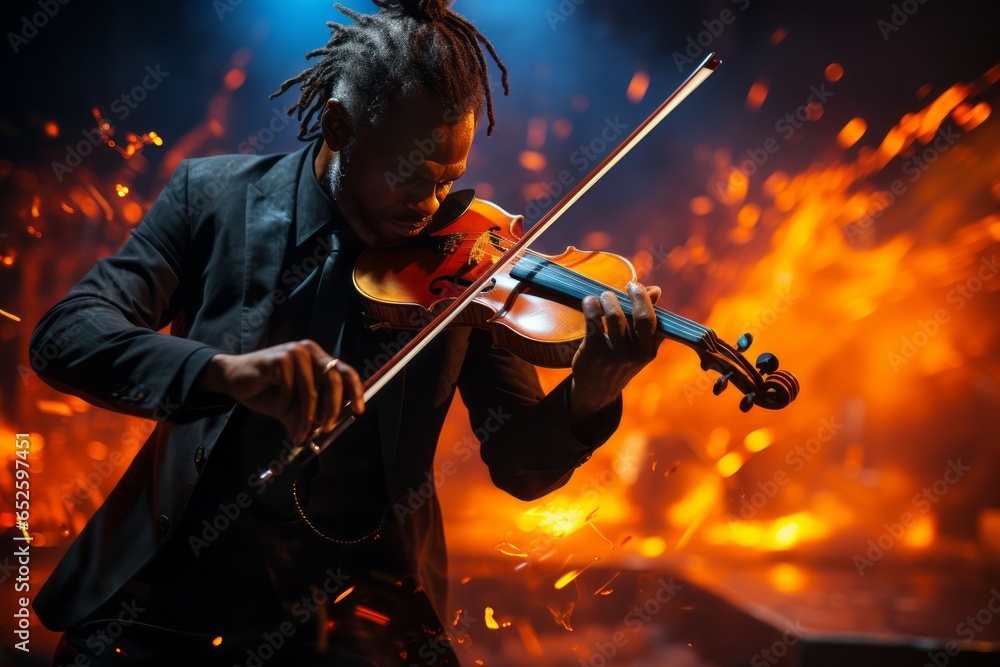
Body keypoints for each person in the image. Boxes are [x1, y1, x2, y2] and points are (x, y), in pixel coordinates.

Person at [29, 1, 663, 664]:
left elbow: (522, 469)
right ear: (338, 123)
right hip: (178, 594)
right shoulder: (212, 197)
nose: (428, 207)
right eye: (409, 174)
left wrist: (587, 399)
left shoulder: (472, 256)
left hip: (367, 607)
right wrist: (225, 372)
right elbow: (67, 335)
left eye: (447, 177)